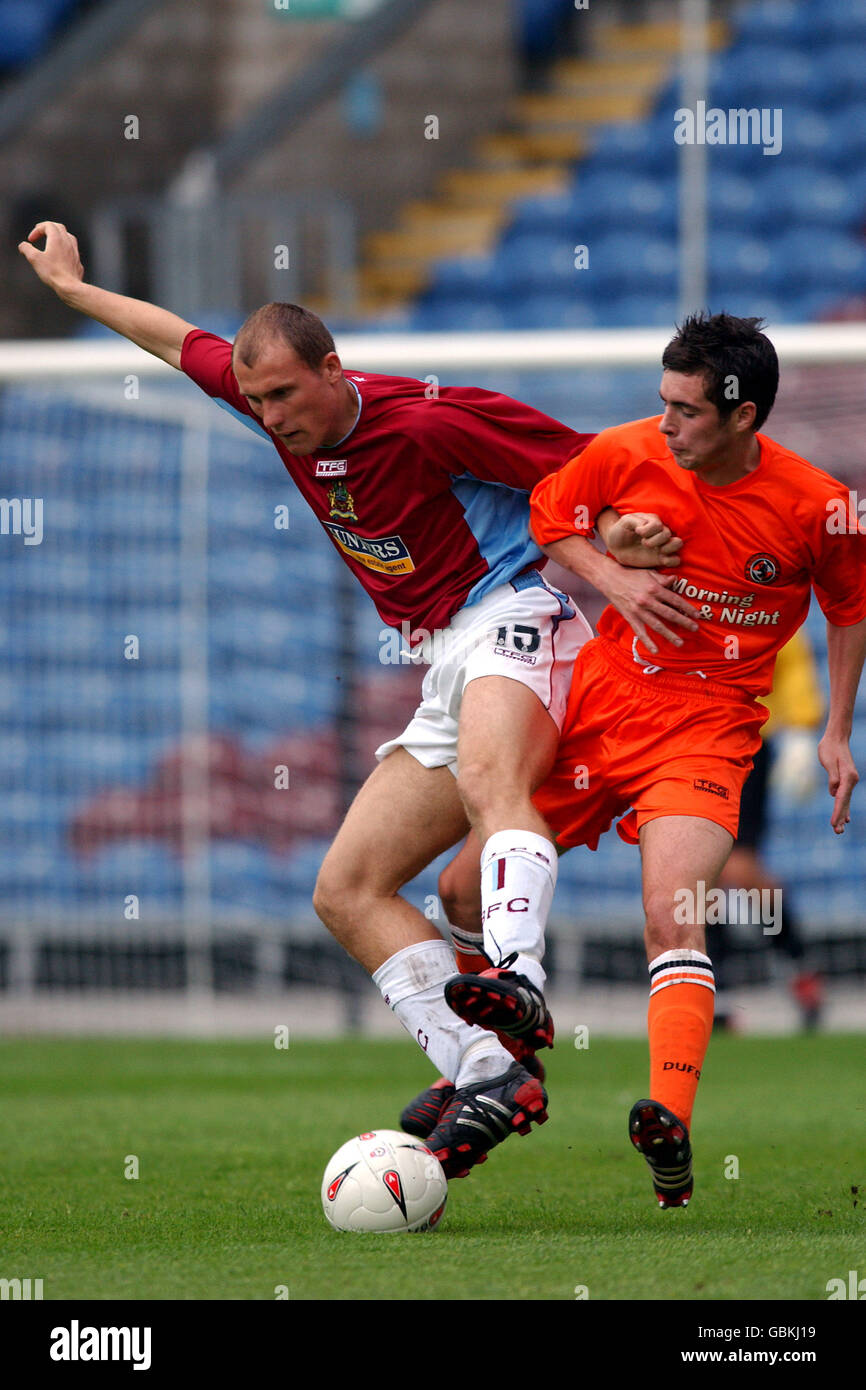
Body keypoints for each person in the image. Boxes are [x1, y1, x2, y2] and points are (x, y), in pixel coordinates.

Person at [19, 220, 700, 1179]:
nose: (271, 415)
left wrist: (628, 537)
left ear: (334, 369)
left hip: (517, 614)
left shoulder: (427, 421)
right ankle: (492, 1070)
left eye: (286, 394)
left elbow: (581, 465)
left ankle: (519, 981)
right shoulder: (269, 408)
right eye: (256, 399)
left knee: (491, 780)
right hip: (442, 658)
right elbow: (178, 341)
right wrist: (75, 294)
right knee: (344, 887)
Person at [415, 313, 866, 1205]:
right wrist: (613, 575)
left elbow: (849, 607)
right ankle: (501, 1073)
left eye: (688, 411)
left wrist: (838, 729)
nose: (666, 425)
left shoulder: (820, 505)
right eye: (663, 403)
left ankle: (669, 1121)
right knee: (463, 889)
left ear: (745, 417)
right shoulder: (628, 452)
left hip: (710, 726)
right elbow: (551, 517)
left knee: (676, 908)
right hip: (601, 705)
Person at [712, 628, 827, 1031]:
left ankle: (796, 960)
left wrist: (799, 728)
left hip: (748, 739)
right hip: (688, 738)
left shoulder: (759, 589)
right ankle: (715, 993)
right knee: (695, 874)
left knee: (738, 869)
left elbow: (790, 656)